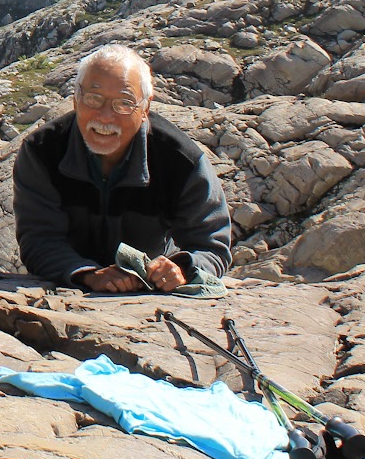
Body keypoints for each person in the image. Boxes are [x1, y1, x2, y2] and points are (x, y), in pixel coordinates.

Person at [12, 43, 231, 292]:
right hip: (68, 287)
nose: (105, 116)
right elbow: (39, 240)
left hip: (150, 291)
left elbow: (213, 245)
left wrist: (182, 268)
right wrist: (89, 275)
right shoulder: (42, 151)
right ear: (75, 99)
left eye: (124, 103)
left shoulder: (180, 161)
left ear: (145, 108)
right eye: (94, 99)